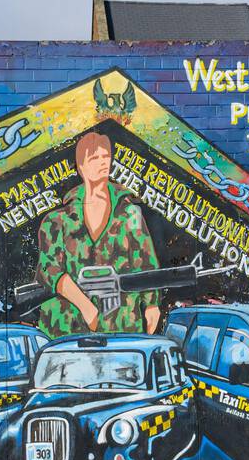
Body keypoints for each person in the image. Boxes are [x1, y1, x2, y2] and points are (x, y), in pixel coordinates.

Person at [35, 131, 161, 336]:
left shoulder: (130, 214)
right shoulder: (57, 220)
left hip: (121, 324)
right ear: (81, 167)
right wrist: (86, 307)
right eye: (94, 158)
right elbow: (50, 270)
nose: (103, 162)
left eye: (106, 157)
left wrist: (152, 304)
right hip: (66, 326)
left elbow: (145, 263)